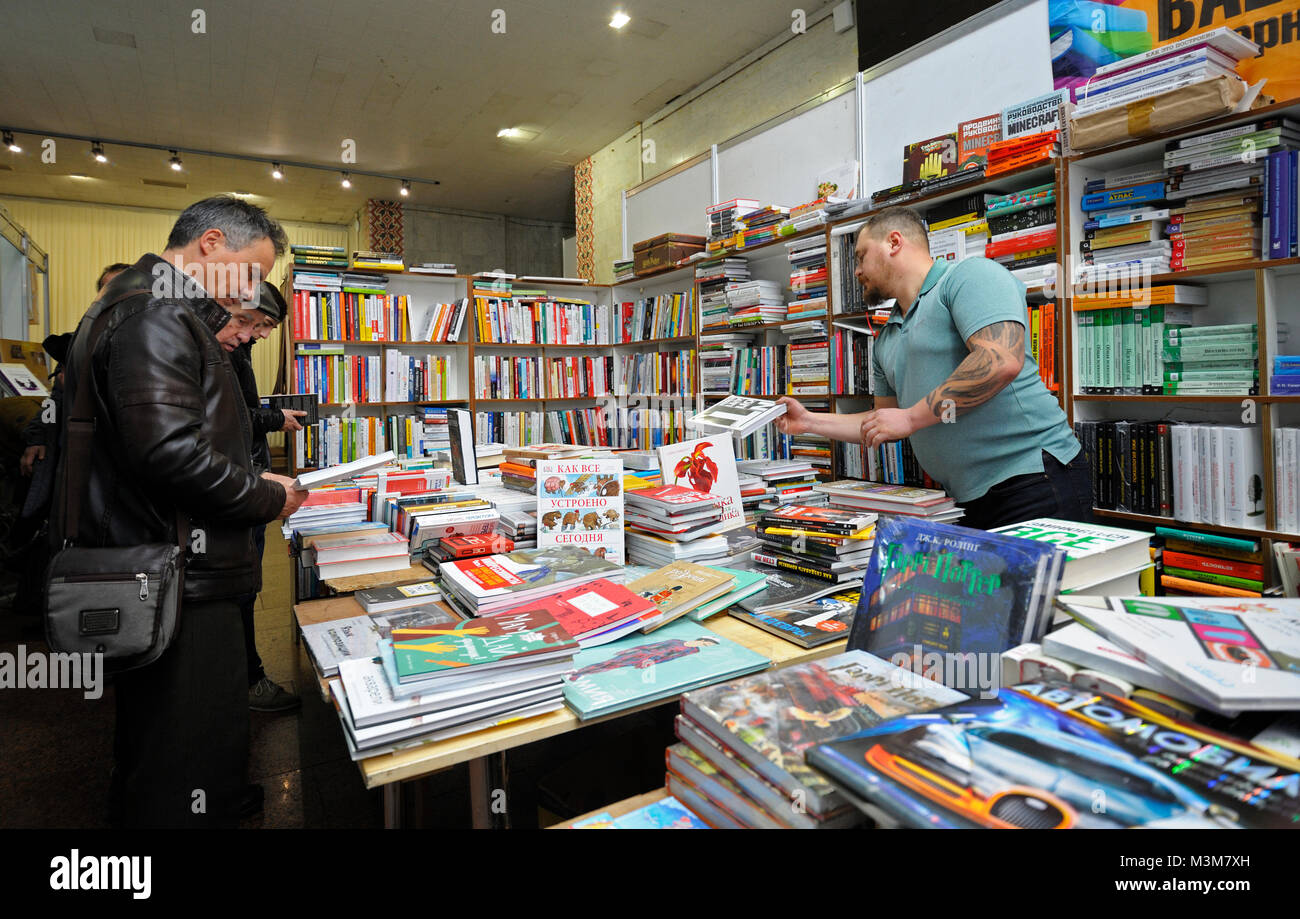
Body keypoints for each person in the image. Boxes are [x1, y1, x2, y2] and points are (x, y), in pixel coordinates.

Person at [49, 196, 309, 827]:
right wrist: (268, 495)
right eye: (250, 275)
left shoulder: (143, 304)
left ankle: (213, 797)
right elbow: (169, 455)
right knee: (181, 722)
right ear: (211, 244)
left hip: (164, 555)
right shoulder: (156, 314)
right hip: (176, 563)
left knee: (187, 721)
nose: (250, 295)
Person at [776, 206, 1092, 531]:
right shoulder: (887, 337)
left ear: (894, 242)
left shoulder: (970, 276)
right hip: (963, 501)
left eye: (861, 256)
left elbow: (1000, 361)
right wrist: (809, 422)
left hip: (1034, 479)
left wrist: (911, 418)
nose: (856, 271)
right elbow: (883, 421)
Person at [231, 281, 307, 712]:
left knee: (248, 583)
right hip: (243, 485)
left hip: (249, 478)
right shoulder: (222, 350)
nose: (259, 335)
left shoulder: (235, 347)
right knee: (243, 587)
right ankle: (247, 680)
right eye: (258, 324)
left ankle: (245, 677)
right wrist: (258, 478)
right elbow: (234, 420)